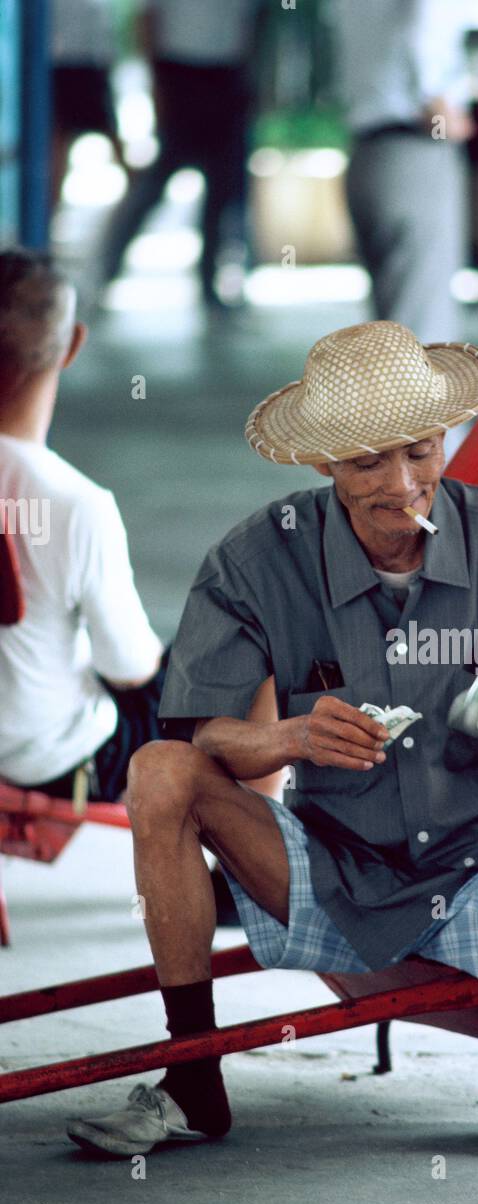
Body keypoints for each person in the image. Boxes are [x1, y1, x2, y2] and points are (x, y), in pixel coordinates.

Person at [66, 319, 478, 1161]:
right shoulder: (257, 557)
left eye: (418, 450)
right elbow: (209, 734)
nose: (401, 484)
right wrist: (291, 736)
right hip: (329, 863)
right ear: (321, 461)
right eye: (366, 461)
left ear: (445, 435)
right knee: (161, 772)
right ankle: (192, 1079)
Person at [0, 248, 164, 804]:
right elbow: (128, 667)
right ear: (71, 346)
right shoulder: (77, 503)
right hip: (43, 757)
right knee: (250, 661)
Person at [99, 0, 262, 310]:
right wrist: (156, 84)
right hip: (179, 73)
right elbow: (147, 17)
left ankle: (209, 284)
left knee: (221, 192)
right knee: (154, 185)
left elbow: (252, 22)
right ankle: (106, 271)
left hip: (227, 76)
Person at [331, 0, 473, 344]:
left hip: (369, 151)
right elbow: (425, 27)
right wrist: (436, 100)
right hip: (413, 149)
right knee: (422, 336)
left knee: (394, 334)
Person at [51, 0, 125, 209]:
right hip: (64, 64)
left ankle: (133, 206)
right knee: (58, 143)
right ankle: (50, 215)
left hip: (88, 64)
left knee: (60, 142)